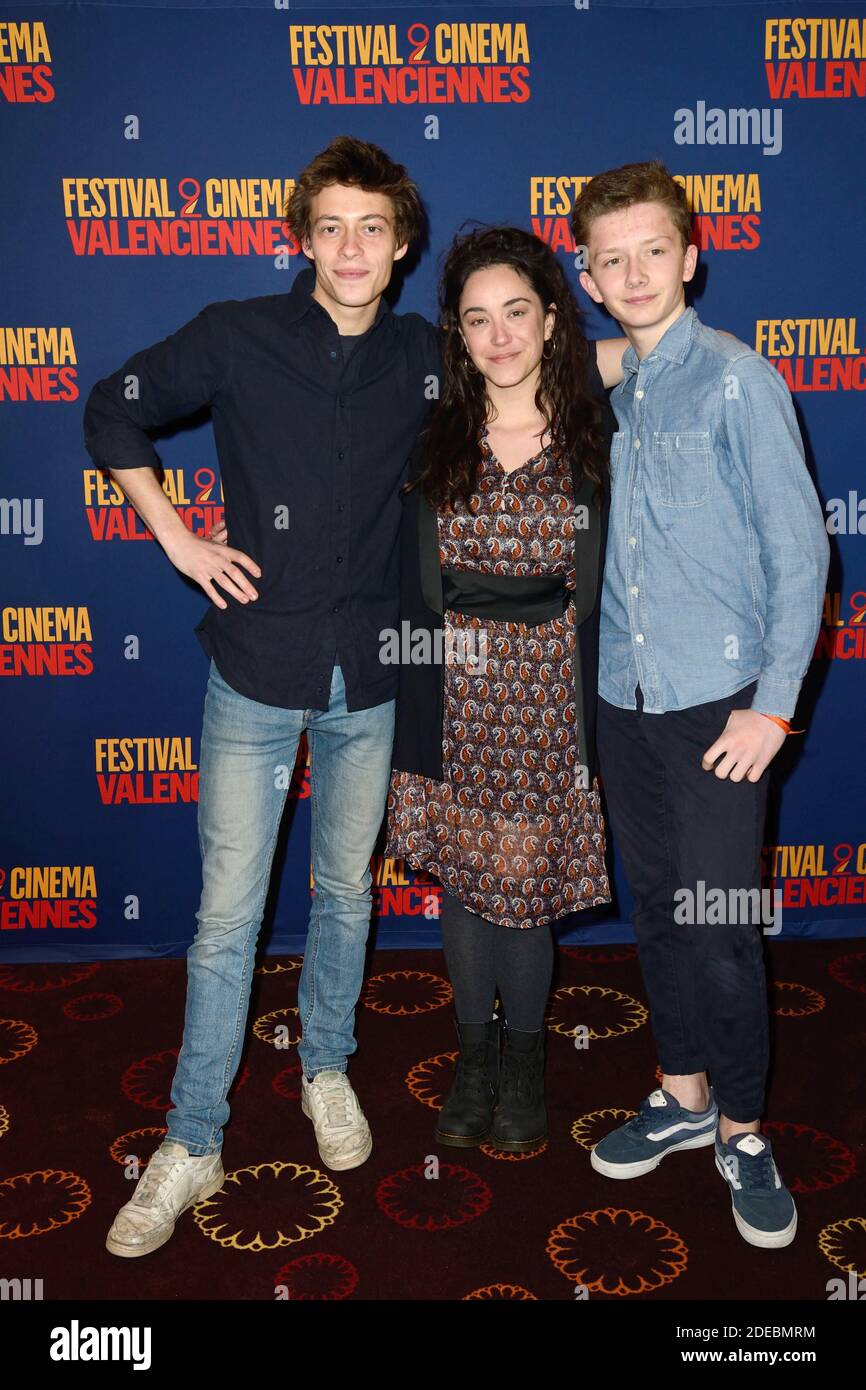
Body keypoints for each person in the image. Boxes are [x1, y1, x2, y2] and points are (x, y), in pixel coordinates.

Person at [83, 135, 441, 1258]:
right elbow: (111, 409)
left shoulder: (429, 356)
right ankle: (194, 1136)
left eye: (371, 227)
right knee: (227, 918)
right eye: (329, 225)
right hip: (252, 669)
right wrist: (180, 539)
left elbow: (543, 367)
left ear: (399, 247)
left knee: (345, 892)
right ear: (300, 238)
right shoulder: (236, 334)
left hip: (371, 675)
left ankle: (324, 1067)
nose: (349, 246)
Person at [570, 160, 830, 1247]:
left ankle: (742, 1127)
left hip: (719, 707)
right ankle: (680, 1097)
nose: (631, 271)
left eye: (650, 250)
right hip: (621, 703)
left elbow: (802, 549)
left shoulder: (734, 377)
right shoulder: (605, 385)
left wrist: (771, 709)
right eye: (607, 257)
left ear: (690, 257)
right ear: (584, 275)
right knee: (662, 912)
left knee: (721, 932)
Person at [386, 226, 624, 1153]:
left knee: (522, 893)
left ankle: (525, 1065)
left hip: (551, 688)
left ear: (553, 317)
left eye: (517, 312)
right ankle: (472, 1061)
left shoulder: (600, 422)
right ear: (457, 333)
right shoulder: (433, 425)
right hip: (451, 687)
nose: (499, 336)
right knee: (465, 885)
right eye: (477, 320)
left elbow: (655, 339)